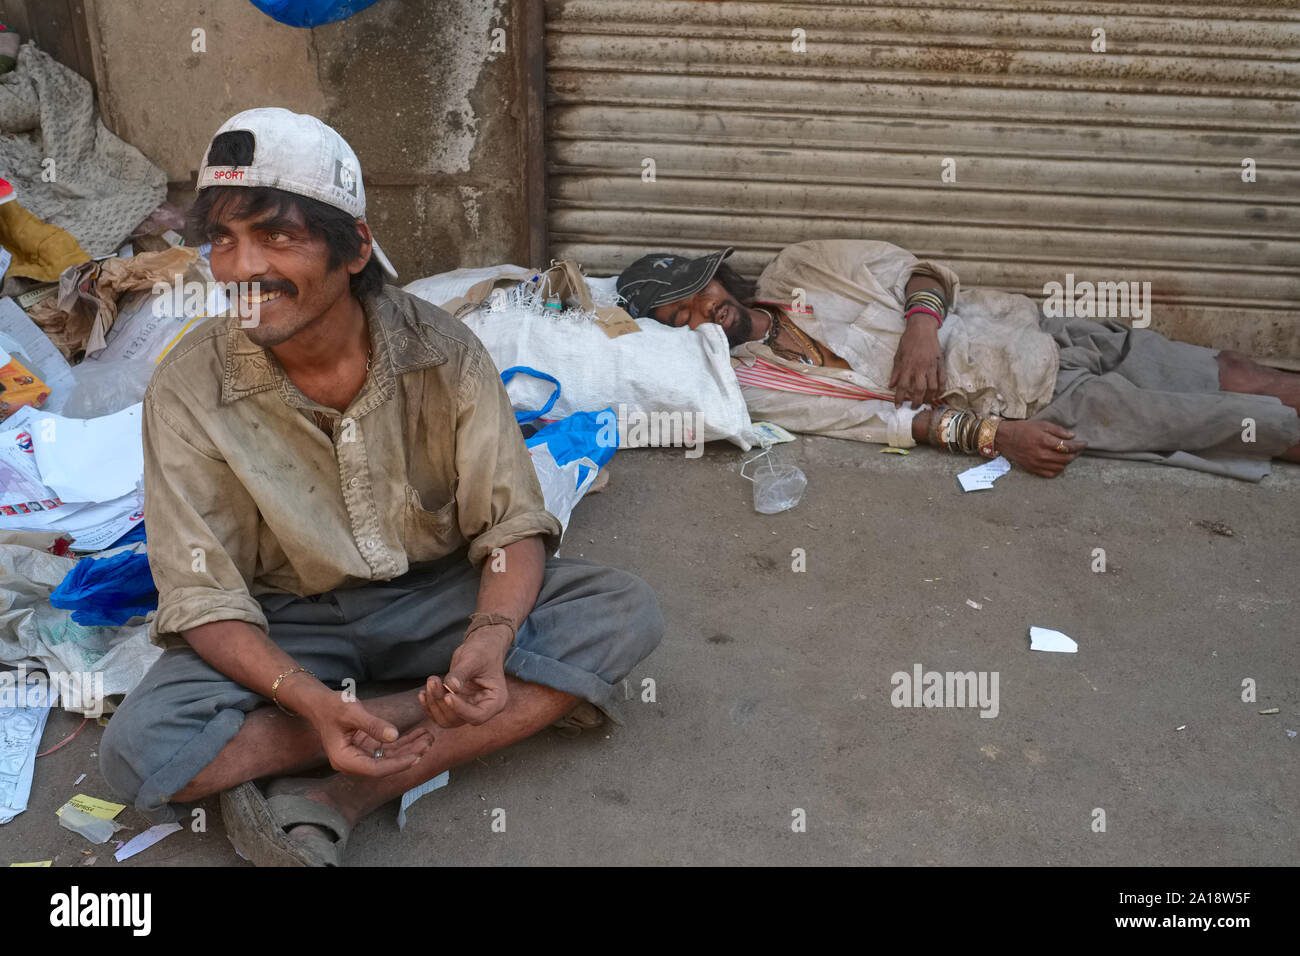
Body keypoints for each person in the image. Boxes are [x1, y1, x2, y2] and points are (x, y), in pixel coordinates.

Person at [99, 109, 664, 866]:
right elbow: (202, 594)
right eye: (224, 240)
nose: (239, 270)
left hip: (435, 598)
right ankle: (426, 711)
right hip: (286, 622)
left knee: (620, 612)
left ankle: (341, 792)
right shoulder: (189, 387)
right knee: (137, 753)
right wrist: (310, 698)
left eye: (277, 237)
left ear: (355, 248)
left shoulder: (443, 354)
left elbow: (510, 526)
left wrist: (489, 640)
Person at [616, 241, 1300, 479]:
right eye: (679, 318)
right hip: (1034, 404)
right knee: (1244, 420)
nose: (702, 312)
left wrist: (920, 330)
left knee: (1241, 372)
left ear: (717, 277)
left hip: (1041, 334)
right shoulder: (753, 385)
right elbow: (882, 427)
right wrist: (1001, 439)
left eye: (696, 293)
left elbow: (925, 270)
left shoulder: (800, 265)